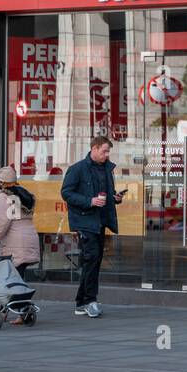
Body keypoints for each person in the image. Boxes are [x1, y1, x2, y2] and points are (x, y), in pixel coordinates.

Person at [60, 136, 124, 318]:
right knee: (91, 258)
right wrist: (89, 201)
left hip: (100, 221)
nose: (107, 154)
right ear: (94, 149)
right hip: (85, 221)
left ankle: (82, 302)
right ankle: (90, 300)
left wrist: (115, 198)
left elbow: (107, 194)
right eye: (104, 151)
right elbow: (66, 193)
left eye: (108, 151)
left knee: (93, 260)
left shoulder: (107, 169)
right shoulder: (77, 169)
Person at [0, 166, 40, 323]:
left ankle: (17, 312)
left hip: (16, 242)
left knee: (12, 280)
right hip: (29, 239)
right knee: (17, 277)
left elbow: (2, 224)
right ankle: (12, 311)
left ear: (1, 182)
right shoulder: (24, 194)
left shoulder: (4, 197)